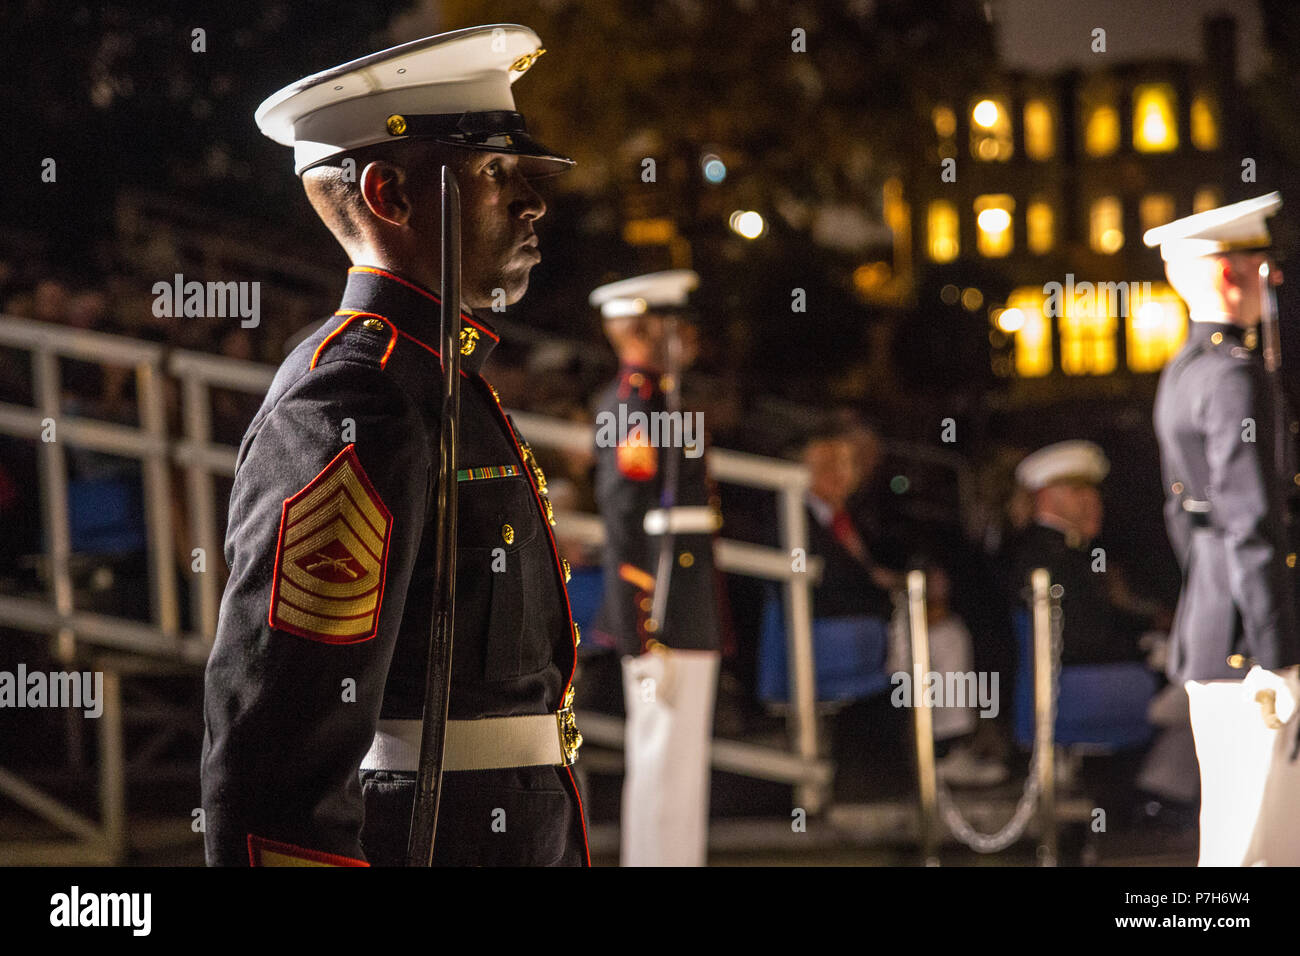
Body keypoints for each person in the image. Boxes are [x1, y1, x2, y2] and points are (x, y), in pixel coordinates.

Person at [201, 25, 589, 867]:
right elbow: (278, 750)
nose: (531, 202)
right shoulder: (355, 397)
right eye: (492, 172)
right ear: (389, 193)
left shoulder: (437, 376)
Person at [1146, 192, 1300, 864]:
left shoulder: (1187, 372)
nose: (1275, 281)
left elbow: (1187, 518)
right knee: (1255, 847)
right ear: (1231, 275)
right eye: (1263, 266)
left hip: (1215, 624)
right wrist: (1276, 650)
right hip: (1252, 646)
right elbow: (1252, 524)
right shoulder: (1236, 379)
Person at [588, 270, 722, 866]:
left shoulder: (653, 400)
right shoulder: (637, 405)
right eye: (678, 325)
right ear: (651, 328)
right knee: (667, 760)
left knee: (673, 761)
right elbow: (624, 515)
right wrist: (643, 619)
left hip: (680, 595)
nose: (688, 338)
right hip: (666, 603)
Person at [1006, 440, 1156, 666]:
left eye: (1094, 491)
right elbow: (1077, 639)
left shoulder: (1076, 552)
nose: (1093, 500)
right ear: (1045, 496)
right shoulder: (1042, 555)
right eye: (1078, 490)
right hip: (1077, 685)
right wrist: (1142, 649)